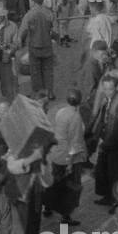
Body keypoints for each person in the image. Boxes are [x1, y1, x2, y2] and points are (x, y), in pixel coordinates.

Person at [44, 88, 87, 226]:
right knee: (70, 188)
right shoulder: (75, 117)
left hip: (57, 153)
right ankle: (65, 215)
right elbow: (75, 142)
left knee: (55, 183)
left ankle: (48, 207)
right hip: (67, 157)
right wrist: (70, 162)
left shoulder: (61, 112)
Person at [89, 76, 118, 209]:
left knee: (116, 174)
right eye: (105, 88)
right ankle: (108, 197)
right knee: (105, 171)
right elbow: (102, 119)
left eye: (110, 89)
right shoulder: (108, 100)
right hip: (107, 143)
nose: (107, 91)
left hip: (115, 146)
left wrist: (104, 145)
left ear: (116, 88)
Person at [17, 0, 56, 99]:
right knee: (48, 70)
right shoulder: (49, 13)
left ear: (33, 2)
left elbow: (22, 31)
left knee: (35, 70)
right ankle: (50, 92)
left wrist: (19, 41)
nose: (29, 1)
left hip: (34, 47)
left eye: (30, 0)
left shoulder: (29, 15)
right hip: (47, 46)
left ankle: (38, 93)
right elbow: (55, 32)